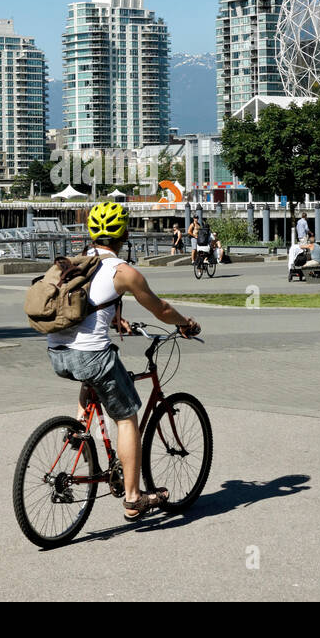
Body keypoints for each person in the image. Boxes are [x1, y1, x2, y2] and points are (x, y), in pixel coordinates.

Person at [47, 201, 201, 521]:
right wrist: (184, 323)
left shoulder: (76, 264)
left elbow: (84, 306)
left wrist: (118, 322)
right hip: (90, 356)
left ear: (91, 233)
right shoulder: (124, 271)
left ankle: (78, 431)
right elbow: (160, 309)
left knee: (93, 372)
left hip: (57, 352)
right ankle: (133, 499)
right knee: (128, 416)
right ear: (125, 234)